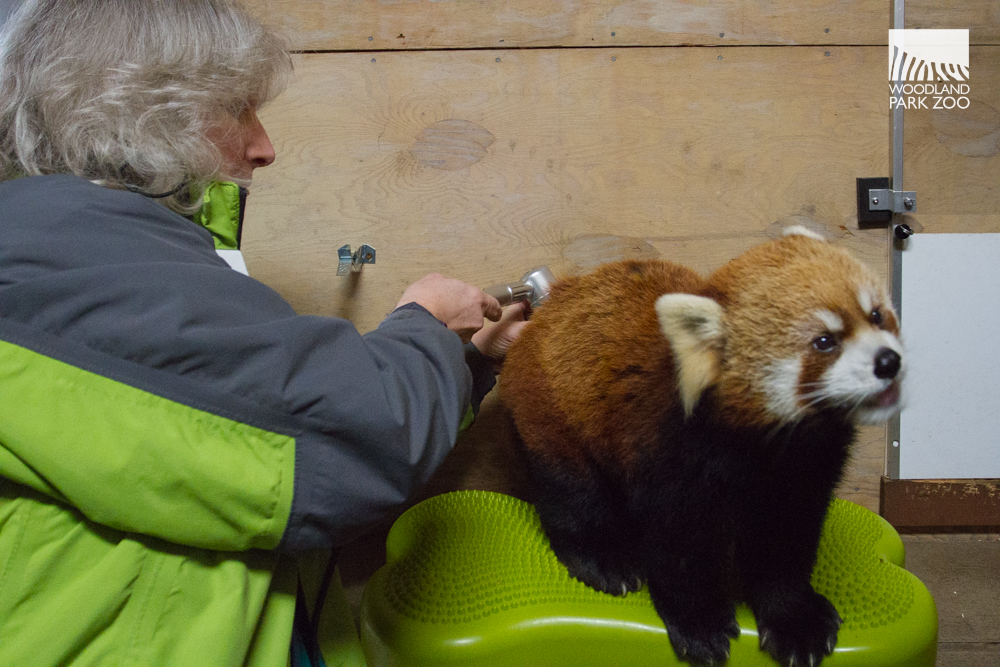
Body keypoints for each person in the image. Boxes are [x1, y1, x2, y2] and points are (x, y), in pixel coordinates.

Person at [0, 1, 527, 665]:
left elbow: (250, 432)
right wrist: (423, 321)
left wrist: (465, 357)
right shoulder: (86, 266)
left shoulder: (64, 251)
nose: (265, 146)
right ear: (145, 110)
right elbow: (350, 436)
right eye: (239, 108)